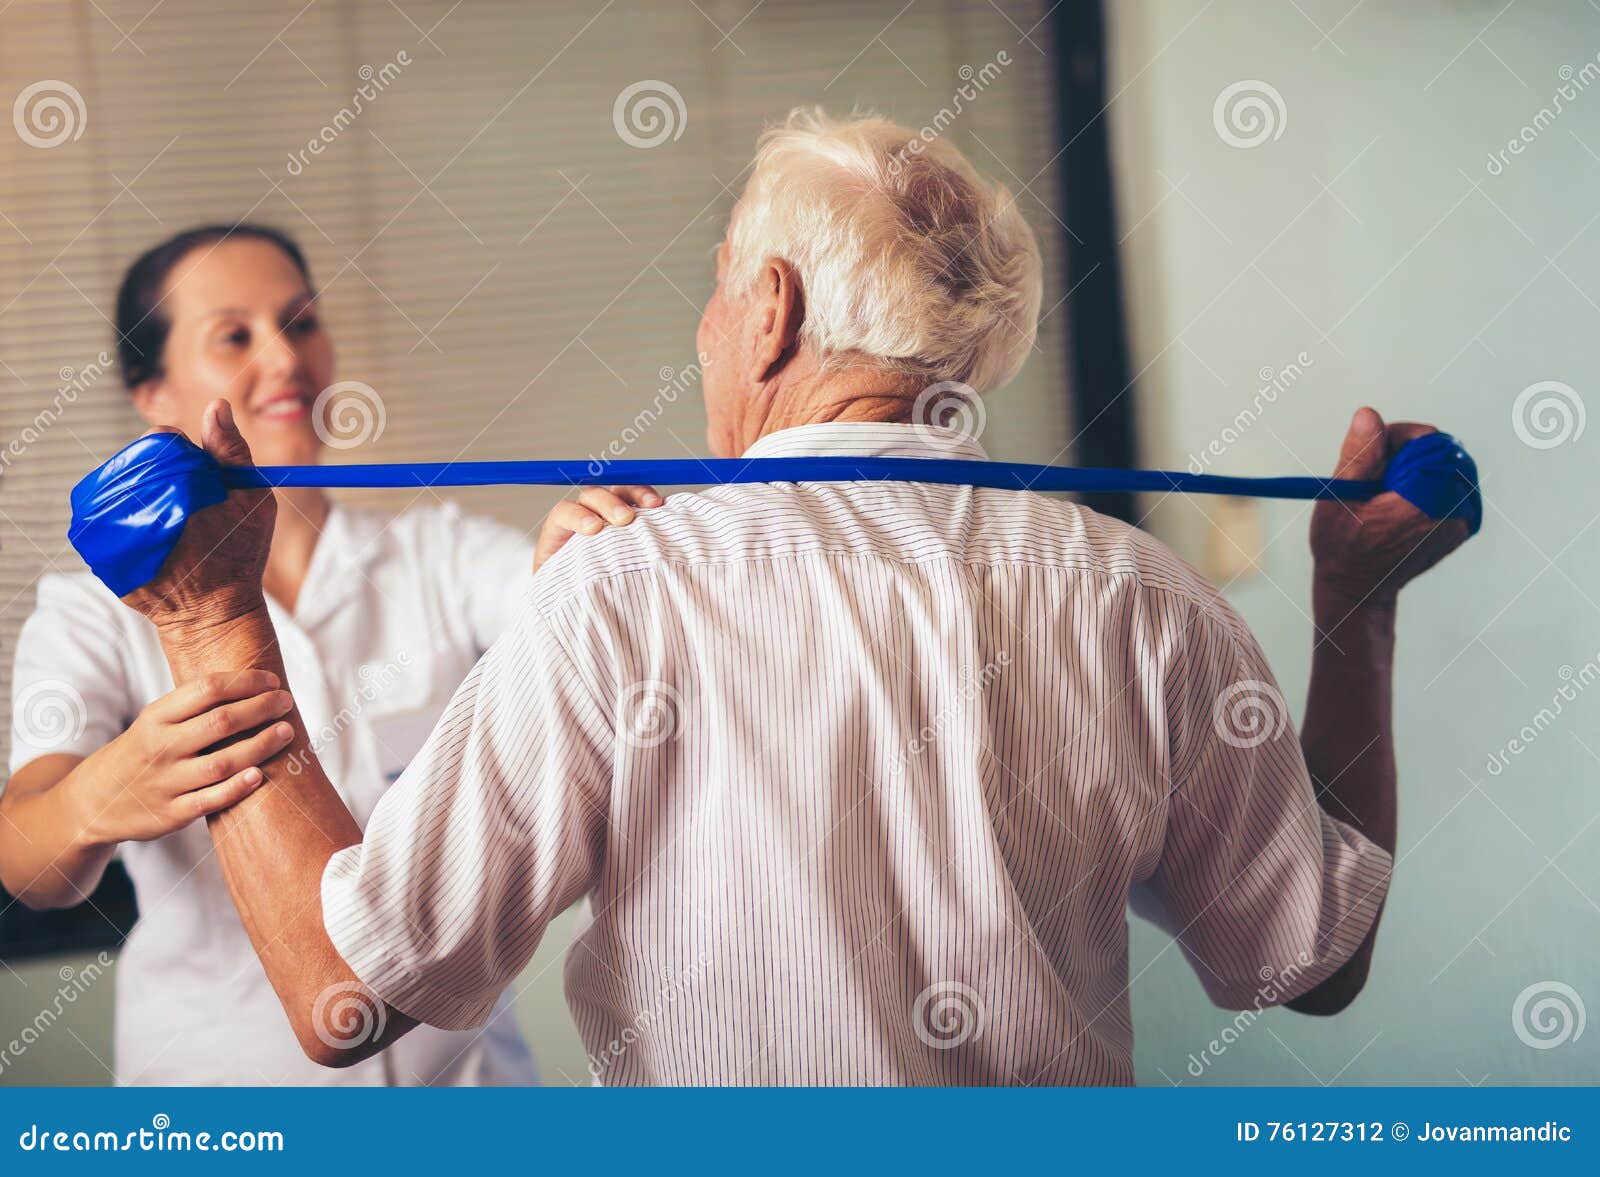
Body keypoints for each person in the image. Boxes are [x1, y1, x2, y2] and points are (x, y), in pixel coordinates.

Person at [103, 110, 1470, 1084]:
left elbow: (347, 999)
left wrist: (211, 622)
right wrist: (1356, 607)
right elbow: (1313, 963)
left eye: (714, 298)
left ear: (767, 307)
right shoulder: (1148, 600)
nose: (708, 334)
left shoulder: (618, 600)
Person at [0, 224, 658, 1085]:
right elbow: (28, 861)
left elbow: (566, 610)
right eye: (235, 335)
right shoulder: (96, 611)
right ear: (153, 392)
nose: (286, 357)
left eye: (301, 322)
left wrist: (580, 562)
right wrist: (103, 794)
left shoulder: (437, 553)